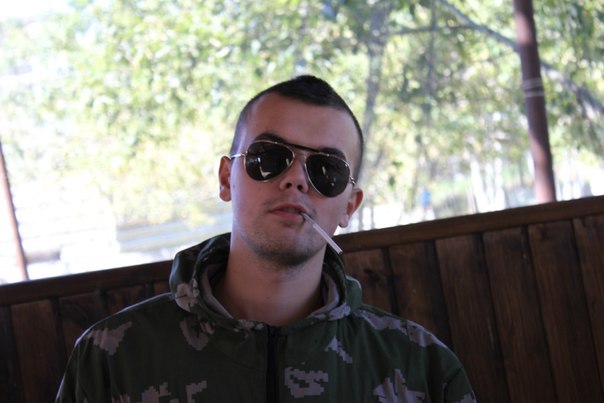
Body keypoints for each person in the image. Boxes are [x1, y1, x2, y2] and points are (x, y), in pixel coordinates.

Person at [56, 75, 476, 402]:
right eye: (269, 157)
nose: (295, 179)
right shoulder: (112, 357)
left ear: (349, 205)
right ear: (227, 179)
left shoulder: (422, 368)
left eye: (326, 170)